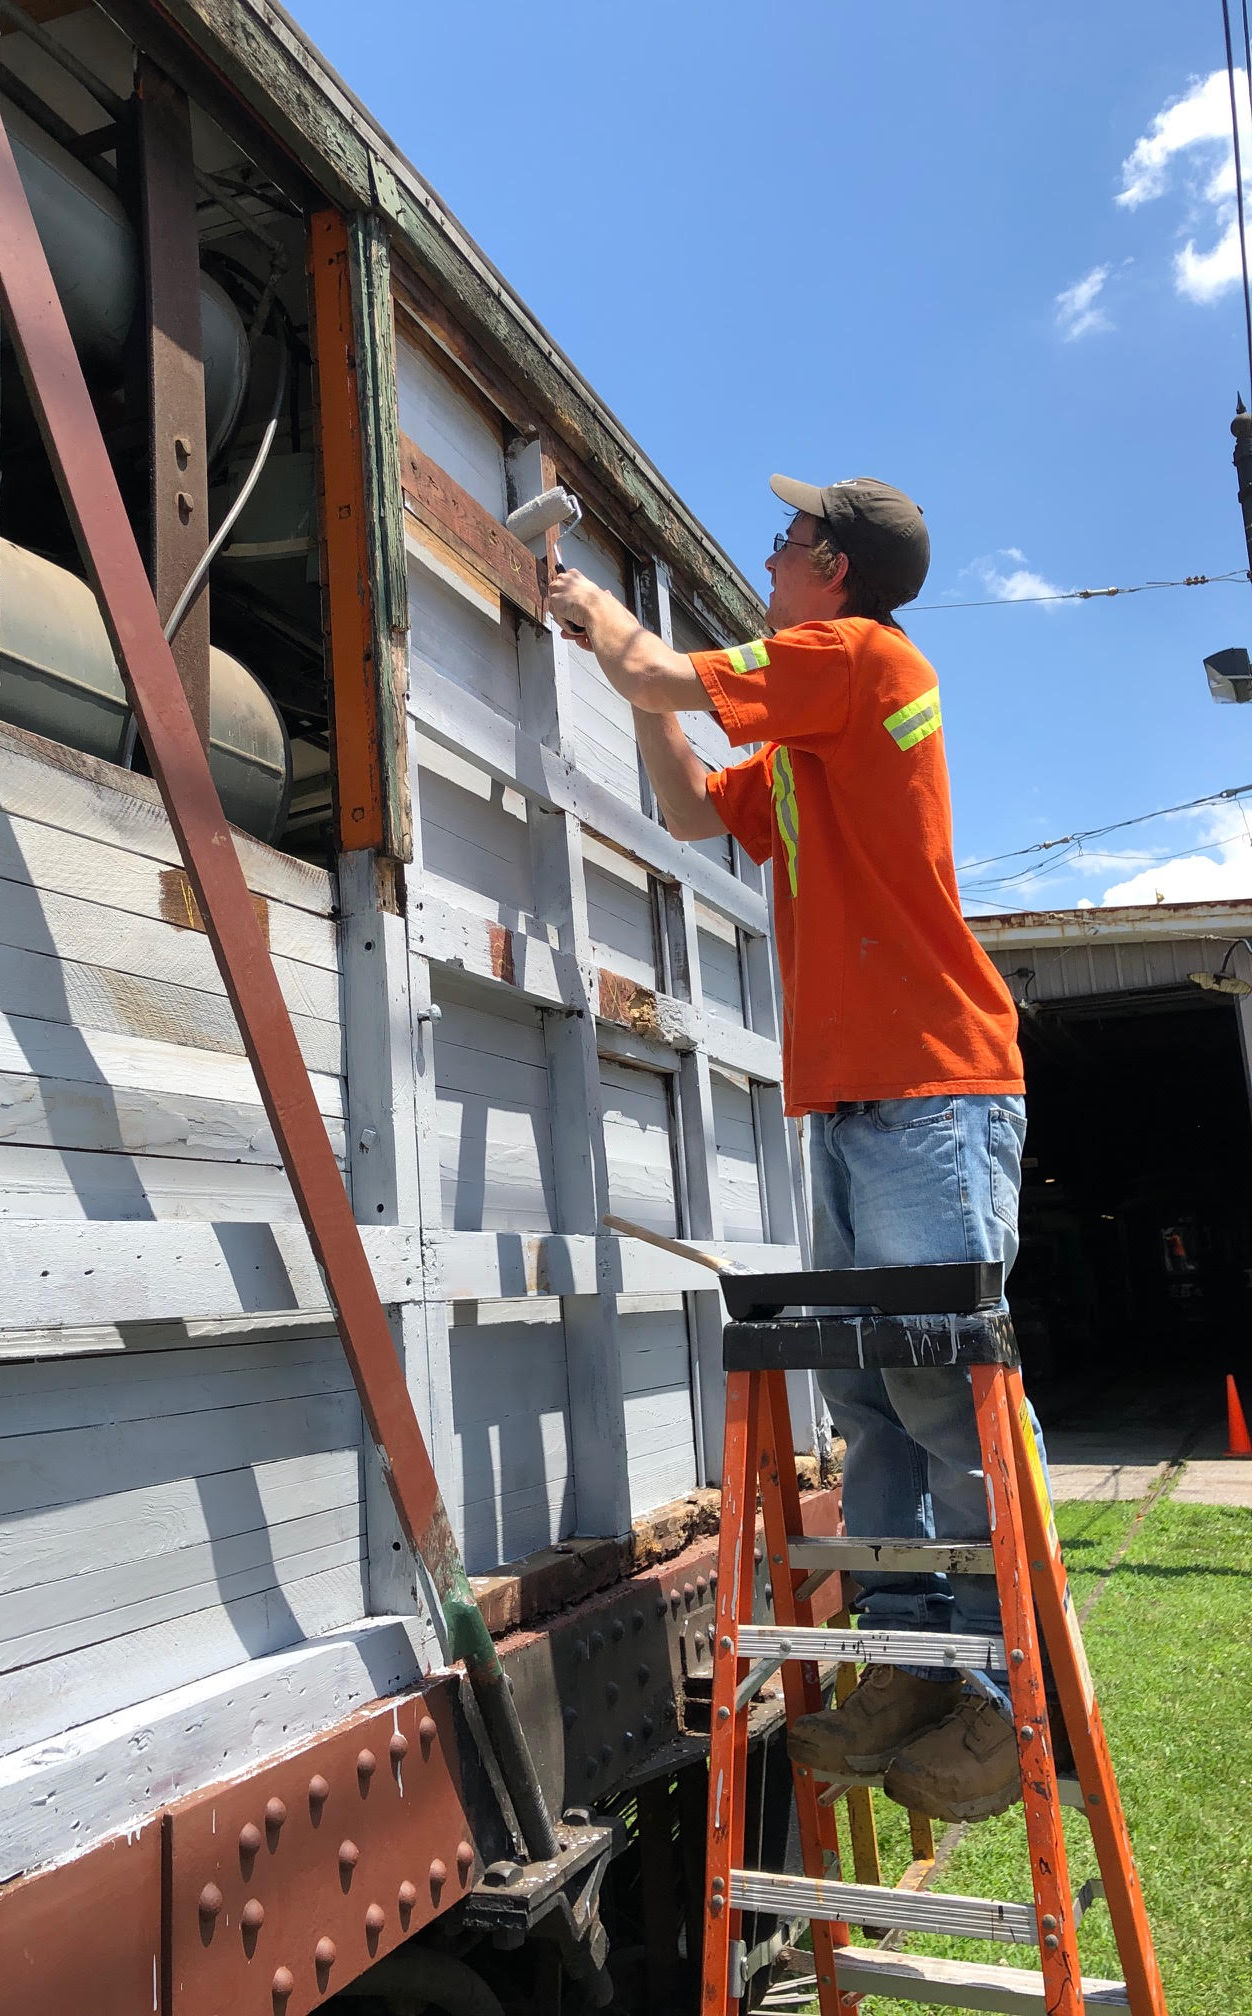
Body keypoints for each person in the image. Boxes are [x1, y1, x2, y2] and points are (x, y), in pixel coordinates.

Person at [546, 476, 1034, 1824]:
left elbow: (663, 666)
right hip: (854, 1100)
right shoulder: (816, 729)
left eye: (781, 539)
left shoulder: (859, 658)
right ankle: (908, 1659)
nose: (766, 555)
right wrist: (640, 689)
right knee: (869, 1401)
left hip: (933, 1091)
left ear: (828, 564)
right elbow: (703, 809)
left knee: (948, 1393)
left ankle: (1010, 1685)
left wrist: (595, 616)